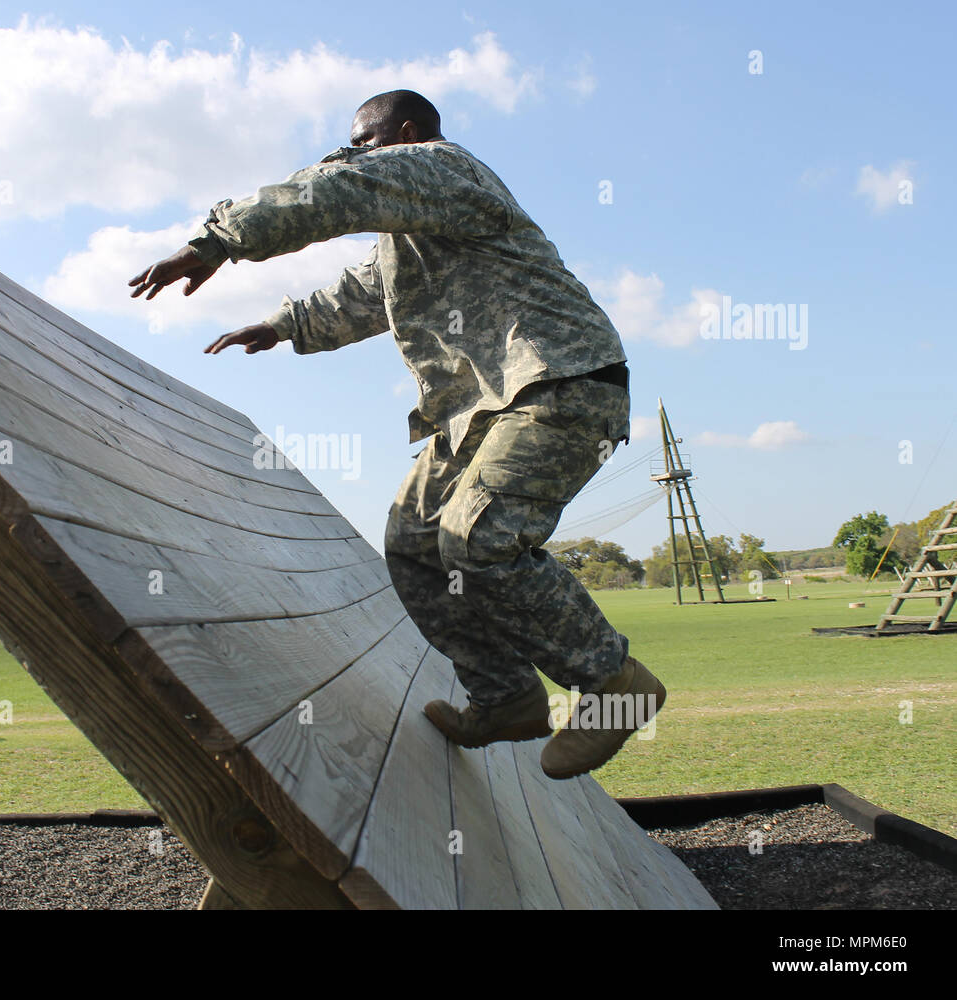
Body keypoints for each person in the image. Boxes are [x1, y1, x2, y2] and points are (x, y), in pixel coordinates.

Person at [128, 90, 664, 779]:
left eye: (363, 141)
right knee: (412, 544)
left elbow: (338, 188)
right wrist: (285, 325)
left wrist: (214, 241)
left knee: (478, 537)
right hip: (480, 408)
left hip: (558, 380)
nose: (354, 153)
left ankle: (615, 686)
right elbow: (360, 294)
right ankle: (505, 697)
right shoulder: (413, 231)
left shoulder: (441, 168)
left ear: (405, 134)